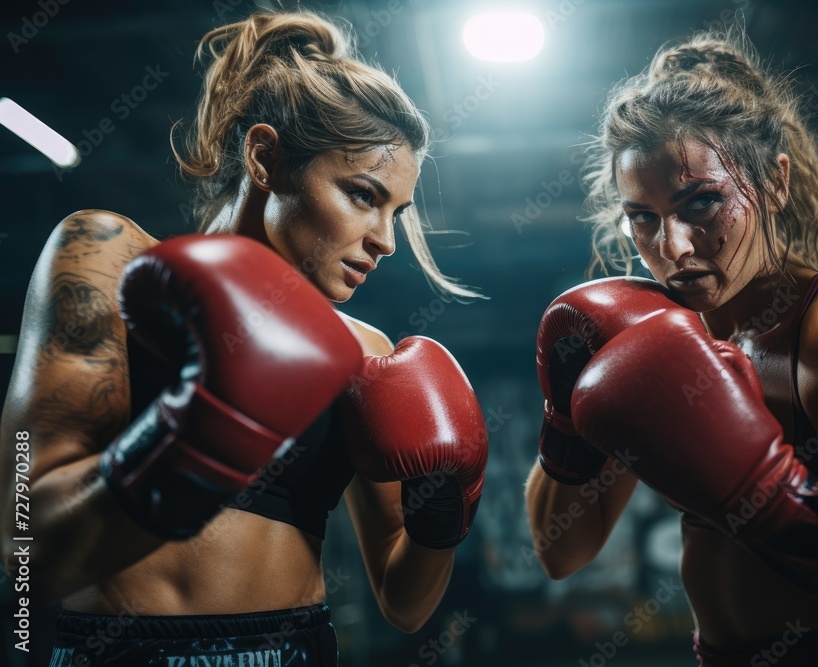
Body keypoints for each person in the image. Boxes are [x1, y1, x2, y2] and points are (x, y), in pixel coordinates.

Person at [0, 10, 488, 666]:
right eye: (362, 195)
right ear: (264, 158)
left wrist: (442, 516)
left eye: (396, 212)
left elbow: (405, 604)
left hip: (294, 650)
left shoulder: (366, 355)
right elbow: (24, 546)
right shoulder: (108, 258)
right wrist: (192, 442)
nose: (386, 240)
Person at [526, 28, 818, 666]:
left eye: (702, 202)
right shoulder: (658, 338)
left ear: (775, 183)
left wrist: (780, 504)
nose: (673, 246)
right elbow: (560, 551)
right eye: (642, 216)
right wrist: (565, 416)